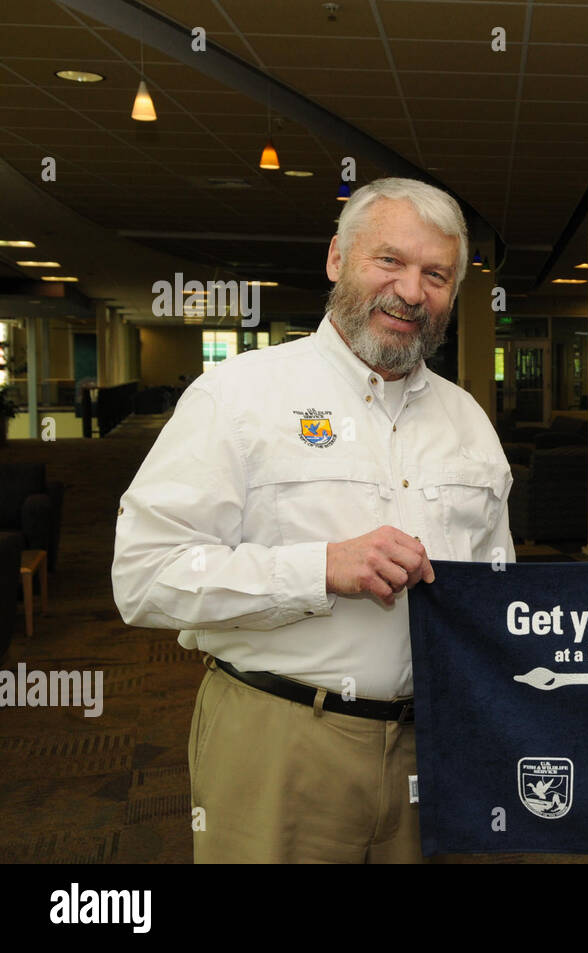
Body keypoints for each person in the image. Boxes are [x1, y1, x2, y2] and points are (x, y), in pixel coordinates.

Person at [112, 177, 514, 863]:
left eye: (436, 274)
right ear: (336, 258)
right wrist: (317, 568)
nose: (412, 292)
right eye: (389, 260)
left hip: (437, 748)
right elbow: (143, 578)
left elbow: (498, 597)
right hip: (280, 743)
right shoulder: (237, 395)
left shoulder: (469, 422)